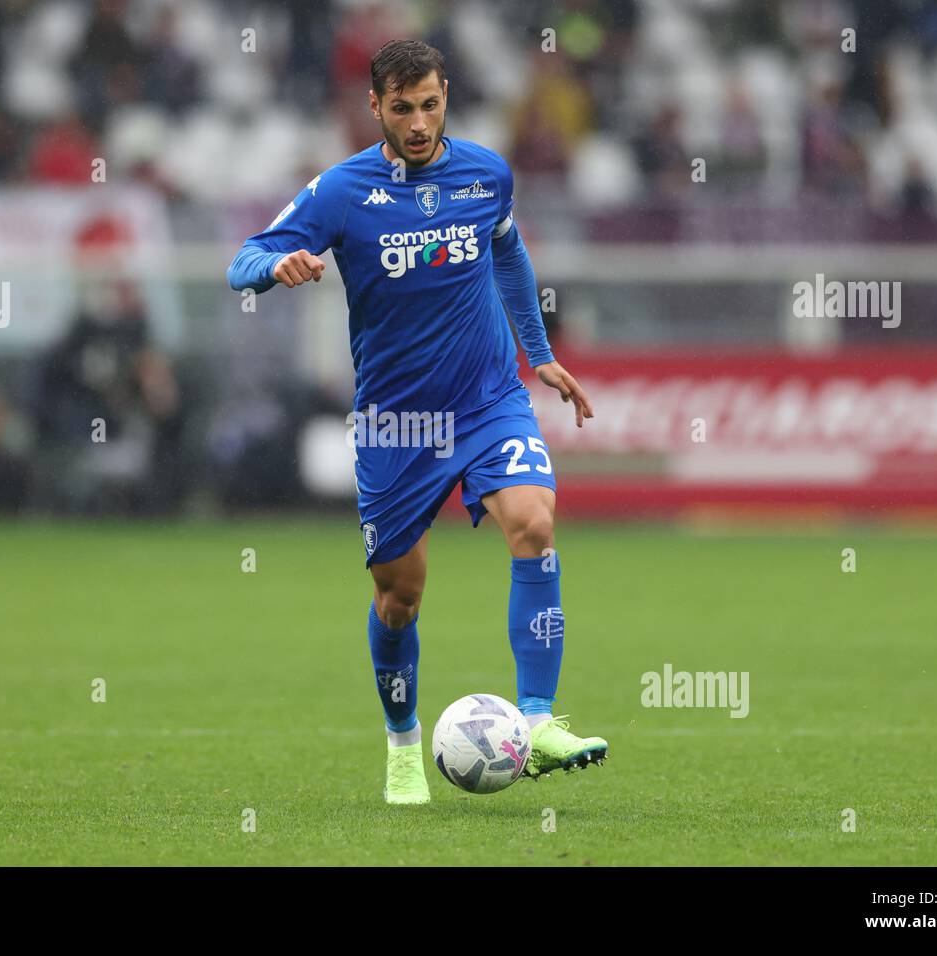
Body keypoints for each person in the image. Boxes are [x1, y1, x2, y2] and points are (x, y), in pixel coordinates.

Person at [226, 40, 607, 805]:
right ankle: (403, 744)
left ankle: (535, 724)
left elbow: (509, 253)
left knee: (533, 521)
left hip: (490, 397)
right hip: (398, 425)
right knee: (399, 596)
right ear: (376, 108)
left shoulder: (486, 174)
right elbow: (244, 257)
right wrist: (279, 267)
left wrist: (538, 356)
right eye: (402, 108)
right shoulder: (339, 192)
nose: (419, 122)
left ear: (445, 97)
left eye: (430, 104)